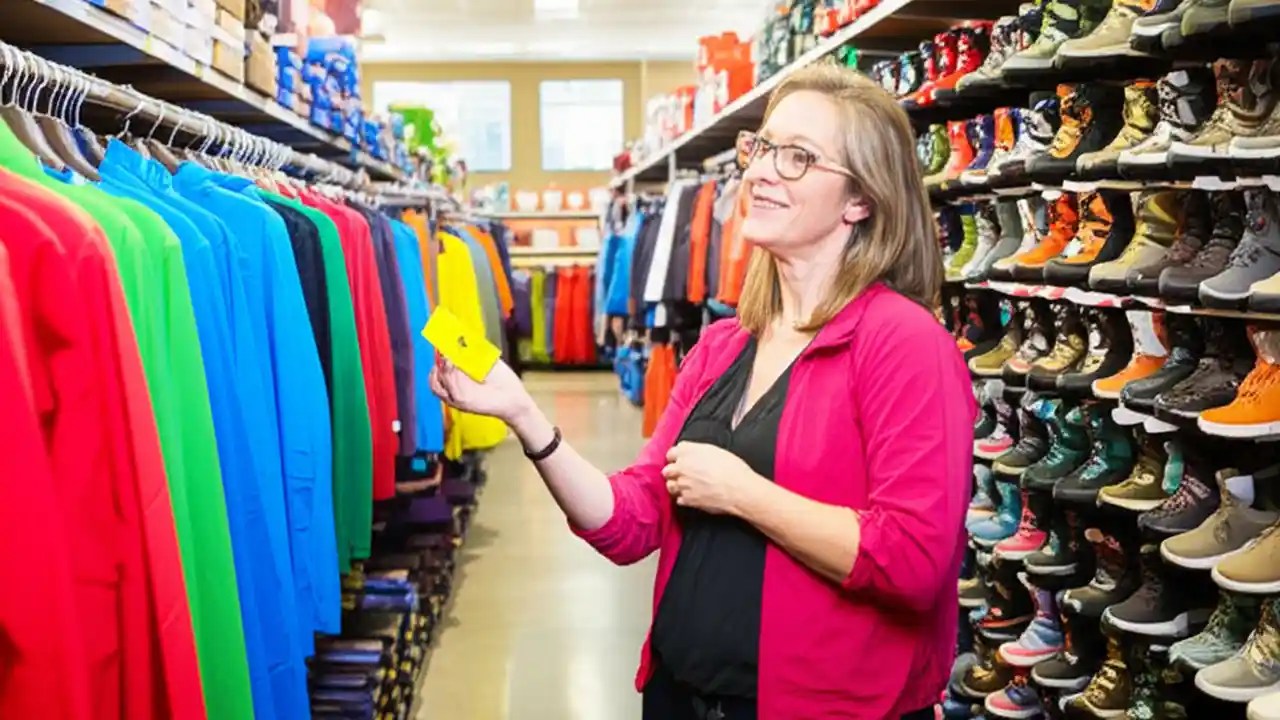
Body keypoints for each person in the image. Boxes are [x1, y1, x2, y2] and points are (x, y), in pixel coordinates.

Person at [430, 63, 975, 720]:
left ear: (861, 200)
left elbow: (914, 561)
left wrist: (745, 494)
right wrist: (525, 416)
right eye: (764, 147)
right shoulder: (724, 347)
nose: (763, 171)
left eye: (799, 158)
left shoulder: (901, 342)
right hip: (678, 696)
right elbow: (634, 518)